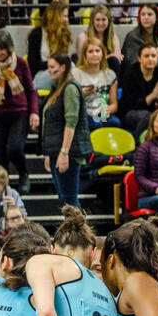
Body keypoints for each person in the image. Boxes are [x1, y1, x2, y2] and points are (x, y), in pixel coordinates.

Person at [39, 53, 91, 210]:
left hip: (69, 151)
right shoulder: (57, 88)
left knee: (69, 199)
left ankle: (79, 233)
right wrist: (49, 152)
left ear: (63, 67)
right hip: (55, 150)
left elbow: (71, 122)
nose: (48, 71)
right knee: (64, 198)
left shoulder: (70, 89)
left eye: (52, 67)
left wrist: (64, 152)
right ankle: (74, 231)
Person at [117, 43, 158, 138]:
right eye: (146, 56)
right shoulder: (130, 74)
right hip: (130, 112)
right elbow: (131, 104)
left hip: (152, 110)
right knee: (149, 117)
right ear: (139, 58)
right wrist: (153, 95)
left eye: (153, 56)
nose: (150, 59)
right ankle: (138, 145)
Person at [73, 38, 120, 130]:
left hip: (101, 111)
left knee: (115, 123)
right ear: (85, 54)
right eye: (90, 51)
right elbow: (69, 99)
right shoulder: (75, 73)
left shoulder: (110, 75)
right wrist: (83, 93)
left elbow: (114, 104)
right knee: (96, 124)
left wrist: (109, 109)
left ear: (103, 53)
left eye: (97, 51)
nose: (94, 54)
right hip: (83, 112)